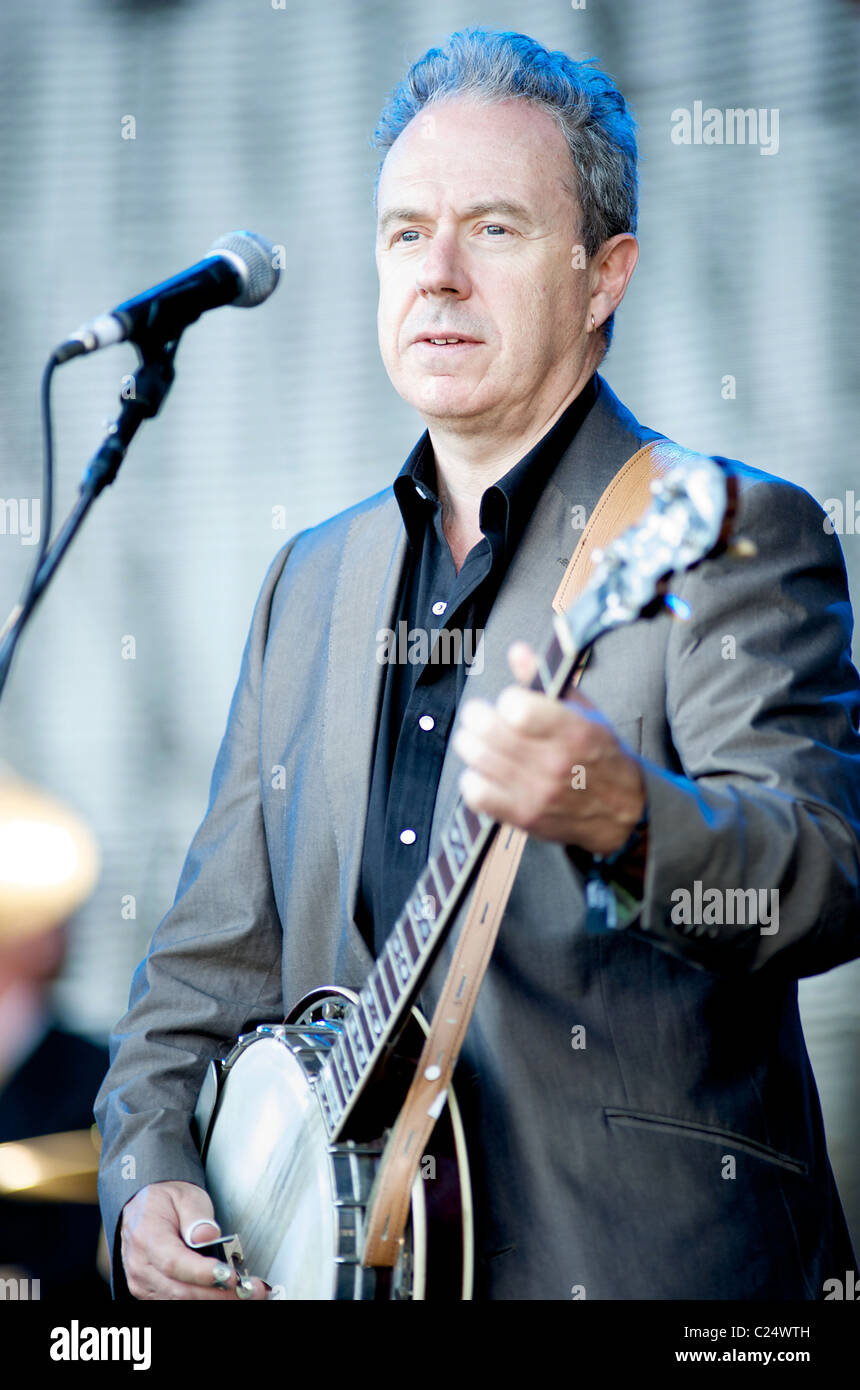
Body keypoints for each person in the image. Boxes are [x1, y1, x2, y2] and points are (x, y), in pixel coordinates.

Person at [95, 27, 860, 1301]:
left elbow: (826, 877)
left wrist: (633, 817)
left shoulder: (724, 529)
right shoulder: (311, 582)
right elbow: (204, 964)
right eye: (405, 232)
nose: (436, 275)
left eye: (493, 230)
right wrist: (148, 1175)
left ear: (602, 273)